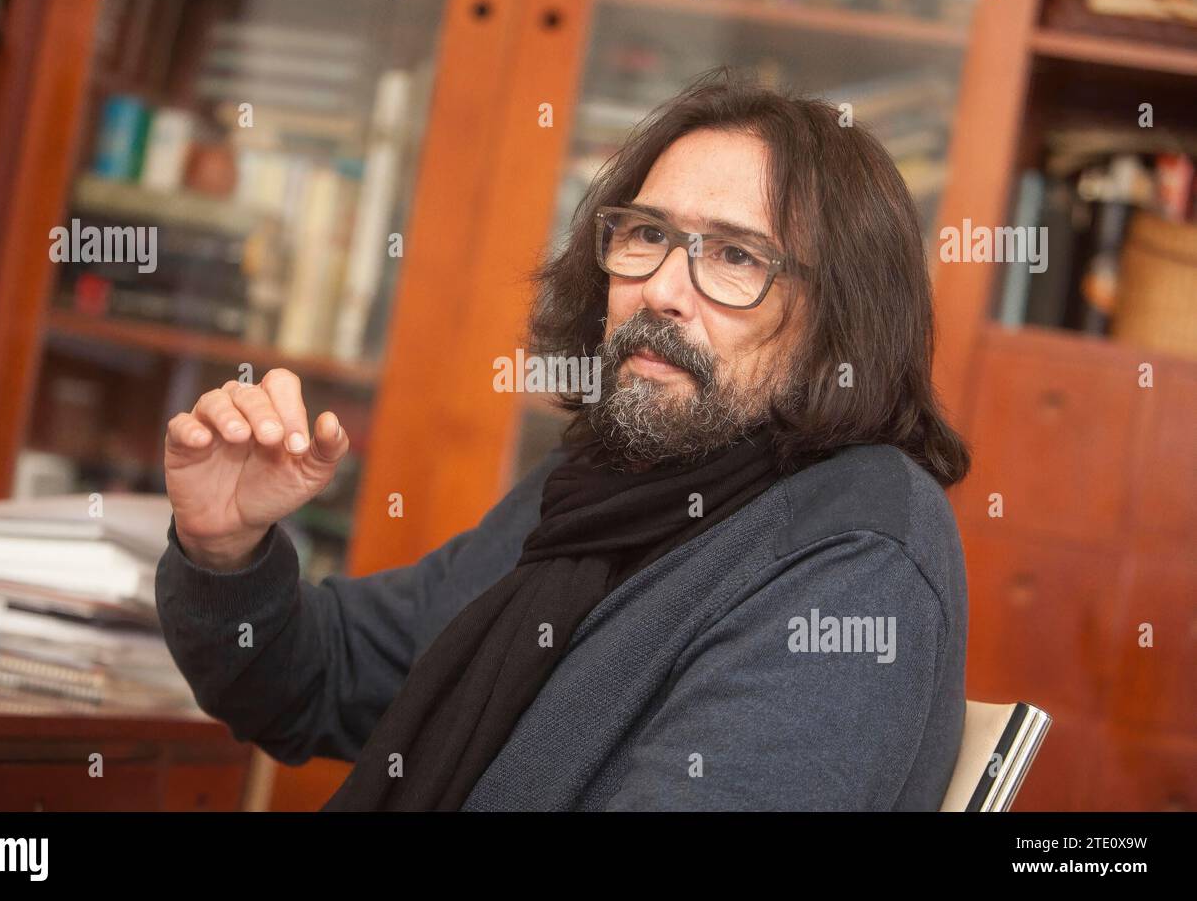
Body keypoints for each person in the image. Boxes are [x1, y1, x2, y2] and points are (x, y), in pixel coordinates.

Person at [156, 69, 972, 811]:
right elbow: (320, 683)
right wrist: (226, 549)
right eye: (647, 235)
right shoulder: (607, 482)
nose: (660, 290)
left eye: (733, 256)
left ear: (842, 324)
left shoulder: (862, 556)